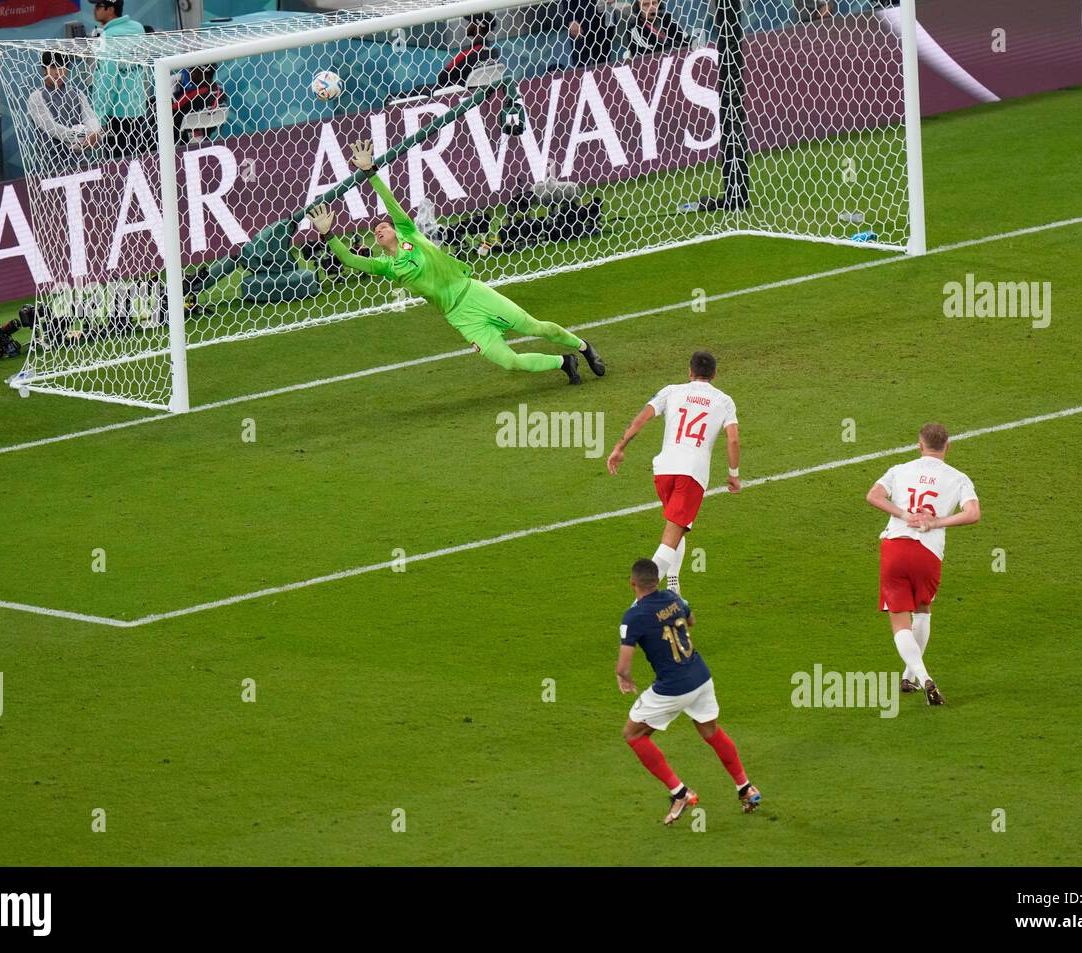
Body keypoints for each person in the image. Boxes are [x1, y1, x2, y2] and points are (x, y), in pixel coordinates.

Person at [318, 140, 607, 384]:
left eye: (383, 226)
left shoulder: (410, 234)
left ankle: (583, 347)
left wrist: (370, 172)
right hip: (460, 317)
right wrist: (328, 234)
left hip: (474, 293)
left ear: (395, 229)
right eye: (374, 231)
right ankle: (564, 362)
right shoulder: (386, 267)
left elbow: (390, 201)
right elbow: (349, 259)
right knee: (509, 362)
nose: (378, 229)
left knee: (536, 328)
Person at [617, 558, 761, 825]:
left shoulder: (633, 616)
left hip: (672, 686)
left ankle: (679, 793)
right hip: (700, 677)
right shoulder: (673, 598)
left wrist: (623, 678)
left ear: (632, 583)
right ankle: (745, 787)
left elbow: (624, 665)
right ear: (657, 581)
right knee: (711, 731)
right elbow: (691, 620)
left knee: (633, 734)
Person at [864, 423, 981, 706]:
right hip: (929, 554)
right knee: (923, 610)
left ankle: (923, 676)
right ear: (948, 447)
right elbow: (973, 513)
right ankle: (910, 678)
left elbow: (873, 496)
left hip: (896, 547)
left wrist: (905, 514)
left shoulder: (900, 469)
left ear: (920, 445)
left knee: (899, 619)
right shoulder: (959, 478)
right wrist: (936, 521)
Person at [606, 351, 740, 593]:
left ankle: (674, 583)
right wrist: (733, 474)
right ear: (715, 374)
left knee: (676, 524)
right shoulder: (724, 401)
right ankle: (642, 598)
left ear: (690, 373)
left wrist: (619, 447)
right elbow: (732, 441)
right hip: (692, 474)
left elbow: (640, 420)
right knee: (672, 533)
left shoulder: (671, 391)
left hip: (664, 470)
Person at [89, 0, 151, 158]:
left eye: (98, 6)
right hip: (138, 109)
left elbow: (107, 79)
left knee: (118, 168)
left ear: (110, 9)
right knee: (137, 161)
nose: (94, 9)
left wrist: (100, 119)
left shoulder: (107, 36)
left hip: (116, 114)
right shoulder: (138, 28)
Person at [27, 52, 101, 168]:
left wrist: (93, 132)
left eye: (61, 68)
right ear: (44, 70)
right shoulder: (36, 97)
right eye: (52, 68)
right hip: (52, 161)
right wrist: (80, 137)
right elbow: (51, 127)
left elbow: (90, 117)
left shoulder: (77, 93)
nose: (57, 73)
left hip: (81, 158)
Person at [435, 13, 500, 88]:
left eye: (470, 22)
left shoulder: (466, 55)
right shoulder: (494, 53)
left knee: (419, 89)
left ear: (477, 27)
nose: (467, 25)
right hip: (486, 93)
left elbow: (442, 78)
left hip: (461, 95)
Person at [171, 64, 227, 144]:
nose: (189, 73)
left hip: (181, 141)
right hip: (207, 136)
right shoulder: (221, 92)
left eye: (191, 70)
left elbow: (171, 115)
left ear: (199, 72)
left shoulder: (191, 96)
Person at [626, 0, 691, 59]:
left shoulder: (668, 20)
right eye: (646, 5)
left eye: (654, 3)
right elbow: (646, 54)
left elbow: (687, 40)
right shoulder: (635, 29)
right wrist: (675, 46)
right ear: (638, 8)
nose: (651, 7)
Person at [560, 0, 614, 68]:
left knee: (603, 59)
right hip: (581, 20)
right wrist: (571, 19)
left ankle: (602, 77)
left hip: (605, 18)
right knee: (581, 61)